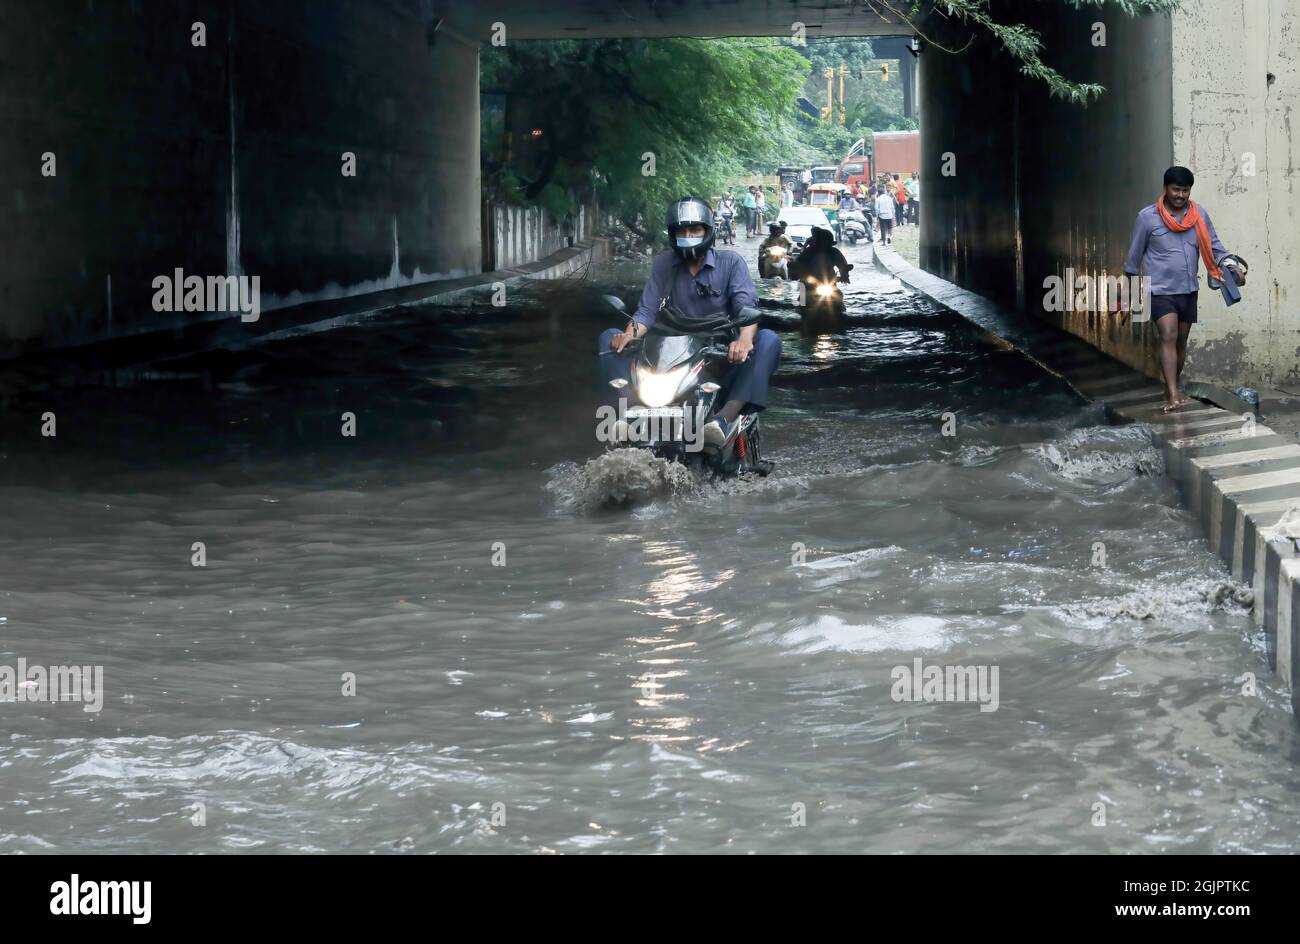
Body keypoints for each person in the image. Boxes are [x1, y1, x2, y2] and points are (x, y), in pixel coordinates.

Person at [600, 197, 782, 447]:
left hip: (716, 351)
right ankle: (628, 410)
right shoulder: (663, 264)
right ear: (672, 234)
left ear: (708, 231)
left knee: (768, 340)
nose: (688, 235)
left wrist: (743, 340)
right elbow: (646, 311)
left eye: (695, 229)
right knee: (608, 337)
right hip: (669, 349)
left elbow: (746, 309)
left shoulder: (731, 263)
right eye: (681, 230)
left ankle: (724, 419)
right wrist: (629, 333)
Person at [1122, 165, 1246, 412]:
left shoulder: (1199, 215)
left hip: (1189, 290)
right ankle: (1172, 395)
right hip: (1160, 291)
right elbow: (1132, 262)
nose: (1180, 195)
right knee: (1168, 336)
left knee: (1180, 342)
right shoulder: (1147, 218)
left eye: (1185, 190)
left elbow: (1216, 247)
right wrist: (1128, 298)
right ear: (1165, 189)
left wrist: (1232, 266)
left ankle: (1172, 386)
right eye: (1175, 189)